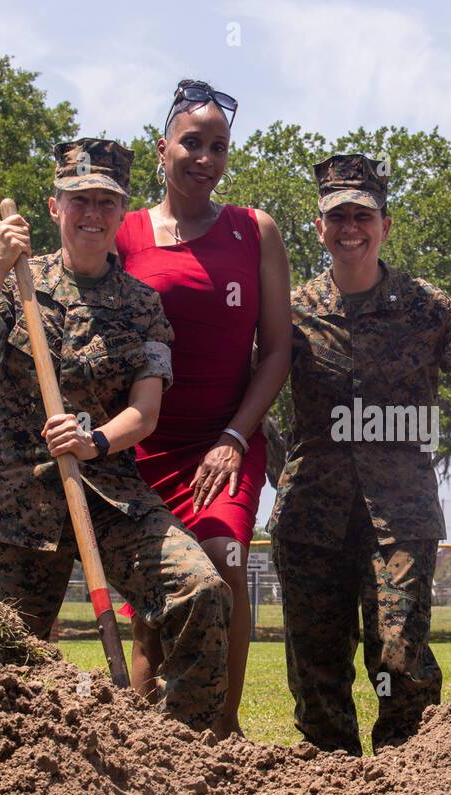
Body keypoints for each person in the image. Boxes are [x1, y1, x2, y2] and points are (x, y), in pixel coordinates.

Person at [0, 137, 231, 731]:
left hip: (108, 495)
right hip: (13, 509)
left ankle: (183, 756)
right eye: (79, 201)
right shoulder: (17, 286)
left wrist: (94, 441)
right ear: (55, 209)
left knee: (201, 590)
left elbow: (144, 414)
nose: (92, 215)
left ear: (122, 212)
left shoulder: (143, 306)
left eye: (106, 201)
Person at [268, 154, 451, 755]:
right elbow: (253, 387)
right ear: (318, 227)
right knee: (316, 662)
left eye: (363, 214)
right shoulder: (291, 309)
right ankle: (329, 788)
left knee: (398, 657)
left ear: (385, 224)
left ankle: (406, 783)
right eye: (338, 216)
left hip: (401, 516)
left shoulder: (425, 307)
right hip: (311, 515)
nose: (350, 227)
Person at [116, 80, 291, 739]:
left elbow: (275, 351)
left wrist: (233, 437)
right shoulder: (125, 234)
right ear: (162, 149)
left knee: (224, 558)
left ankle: (221, 728)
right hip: (145, 442)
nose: (205, 158)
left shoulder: (255, 231)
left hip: (226, 442)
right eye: (192, 142)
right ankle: (146, 738)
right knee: (152, 601)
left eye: (218, 147)